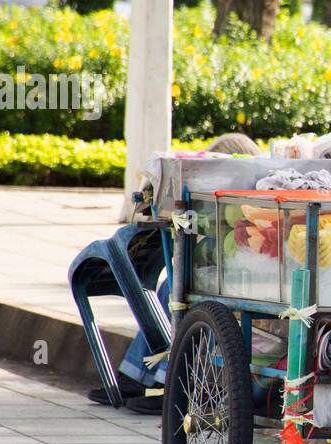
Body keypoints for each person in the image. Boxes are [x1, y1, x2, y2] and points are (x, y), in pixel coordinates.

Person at [88, 133, 261, 414]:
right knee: (171, 285)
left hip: (242, 283)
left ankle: (170, 384)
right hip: (223, 276)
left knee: (180, 288)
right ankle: (135, 376)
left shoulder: (250, 202)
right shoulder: (220, 202)